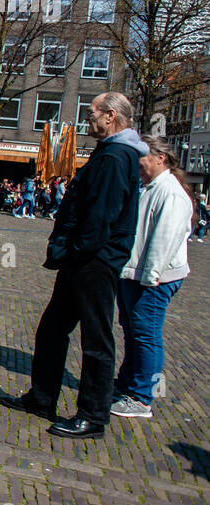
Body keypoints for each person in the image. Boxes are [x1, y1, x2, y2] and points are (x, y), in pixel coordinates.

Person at [3, 92, 145, 439]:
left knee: (96, 338)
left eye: (92, 112)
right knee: (52, 329)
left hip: (93, 262)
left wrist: (75, 250)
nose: (88, 118)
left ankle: (93, 414)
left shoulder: (114, 157)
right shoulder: (110, 153)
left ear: (111, 116)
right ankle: (42, 397)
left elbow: (101, 215)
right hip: (84, 259)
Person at [112, 136, 194, 419]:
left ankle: (141, 396)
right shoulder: (149, 187)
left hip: (153, 277)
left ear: (160, 158)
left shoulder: (170, 192)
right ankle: (127, 385)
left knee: (146, 334)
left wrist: (151, 275)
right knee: (134, 331)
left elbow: (164, 239)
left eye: (142, 159)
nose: (137, 165)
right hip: (137, 273)